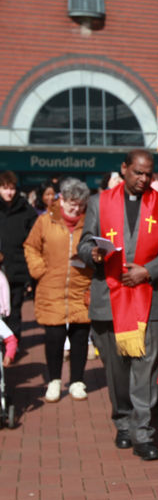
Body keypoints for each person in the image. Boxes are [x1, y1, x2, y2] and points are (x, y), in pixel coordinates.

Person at [77, 150, 158, 461]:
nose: (143, 179)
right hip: (108, 298)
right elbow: (84, 242)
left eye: (148, 174)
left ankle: (142, 432)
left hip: (149, 298)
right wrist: (93, 254)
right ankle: (122, 420)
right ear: (124, 169)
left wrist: (147, 271)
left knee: (146, 369)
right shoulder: (99, 202)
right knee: (116, 369)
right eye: (137, 173)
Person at [24, 178, 92, 402]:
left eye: (80, 204)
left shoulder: (90, 222)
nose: (76, 208)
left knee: (80, 336)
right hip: (51, 285)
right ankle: (54, 380)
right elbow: (31, 246)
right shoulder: (45, 221)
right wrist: (38, 269)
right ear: (61, 200)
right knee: (54, 336)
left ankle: (77, 381)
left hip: (80, 286)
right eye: (72, 203)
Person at [0, 171, 38, 345]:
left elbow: (34, 239)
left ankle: (14, 345)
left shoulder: (26, 210)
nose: (9, 192)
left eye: (12, 188)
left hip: (18, 269)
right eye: (5, 188)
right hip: (1, 269)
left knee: (14, 309)